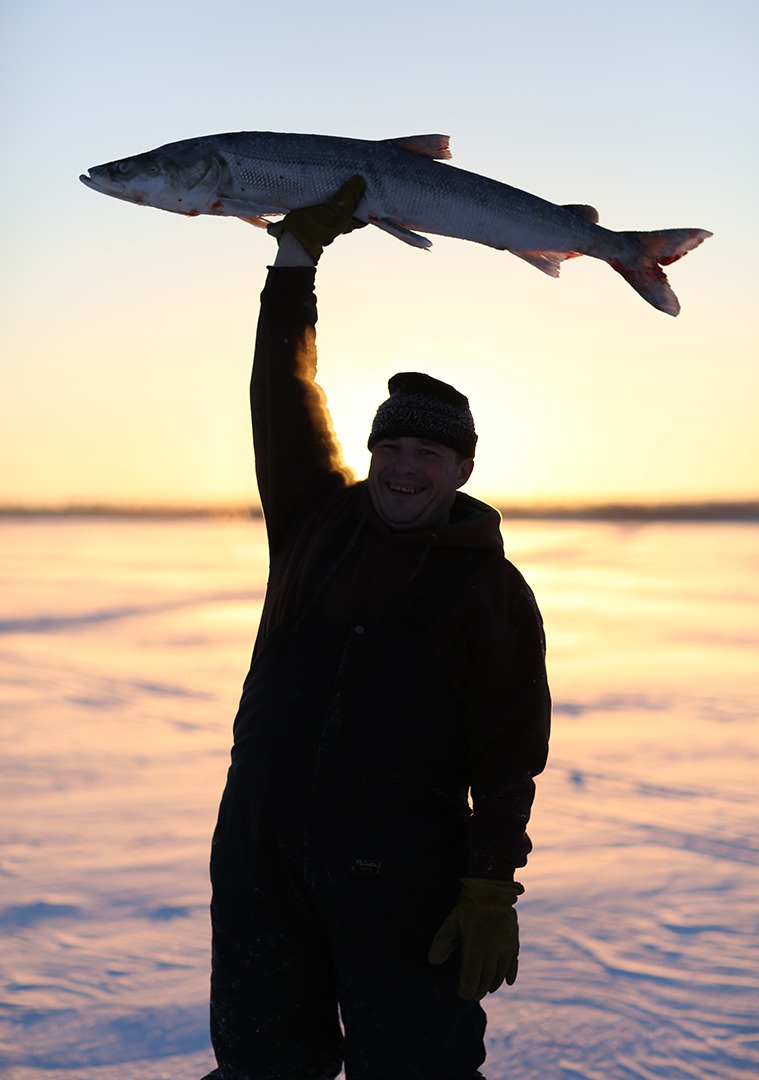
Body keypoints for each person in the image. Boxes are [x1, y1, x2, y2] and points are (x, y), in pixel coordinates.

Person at [203, 178, 551, 1080]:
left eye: (426, 453)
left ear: (463, 466)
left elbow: (509, 755)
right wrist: (293, 264)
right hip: (261, 858)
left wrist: (489, 881)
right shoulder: (316, 524)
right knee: (261, 1066)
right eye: (390, 447)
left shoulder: (492, 593)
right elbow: (282, 389)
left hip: (400, 881)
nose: (402, 467)